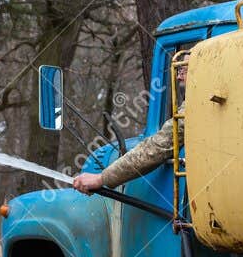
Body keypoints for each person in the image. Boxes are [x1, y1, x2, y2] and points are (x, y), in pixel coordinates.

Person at [71, 51, 188, 195]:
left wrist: (102, 178)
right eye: (179, 70)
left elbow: (157, 147)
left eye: (184, 70)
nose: (178, 76)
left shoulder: (194, 107)